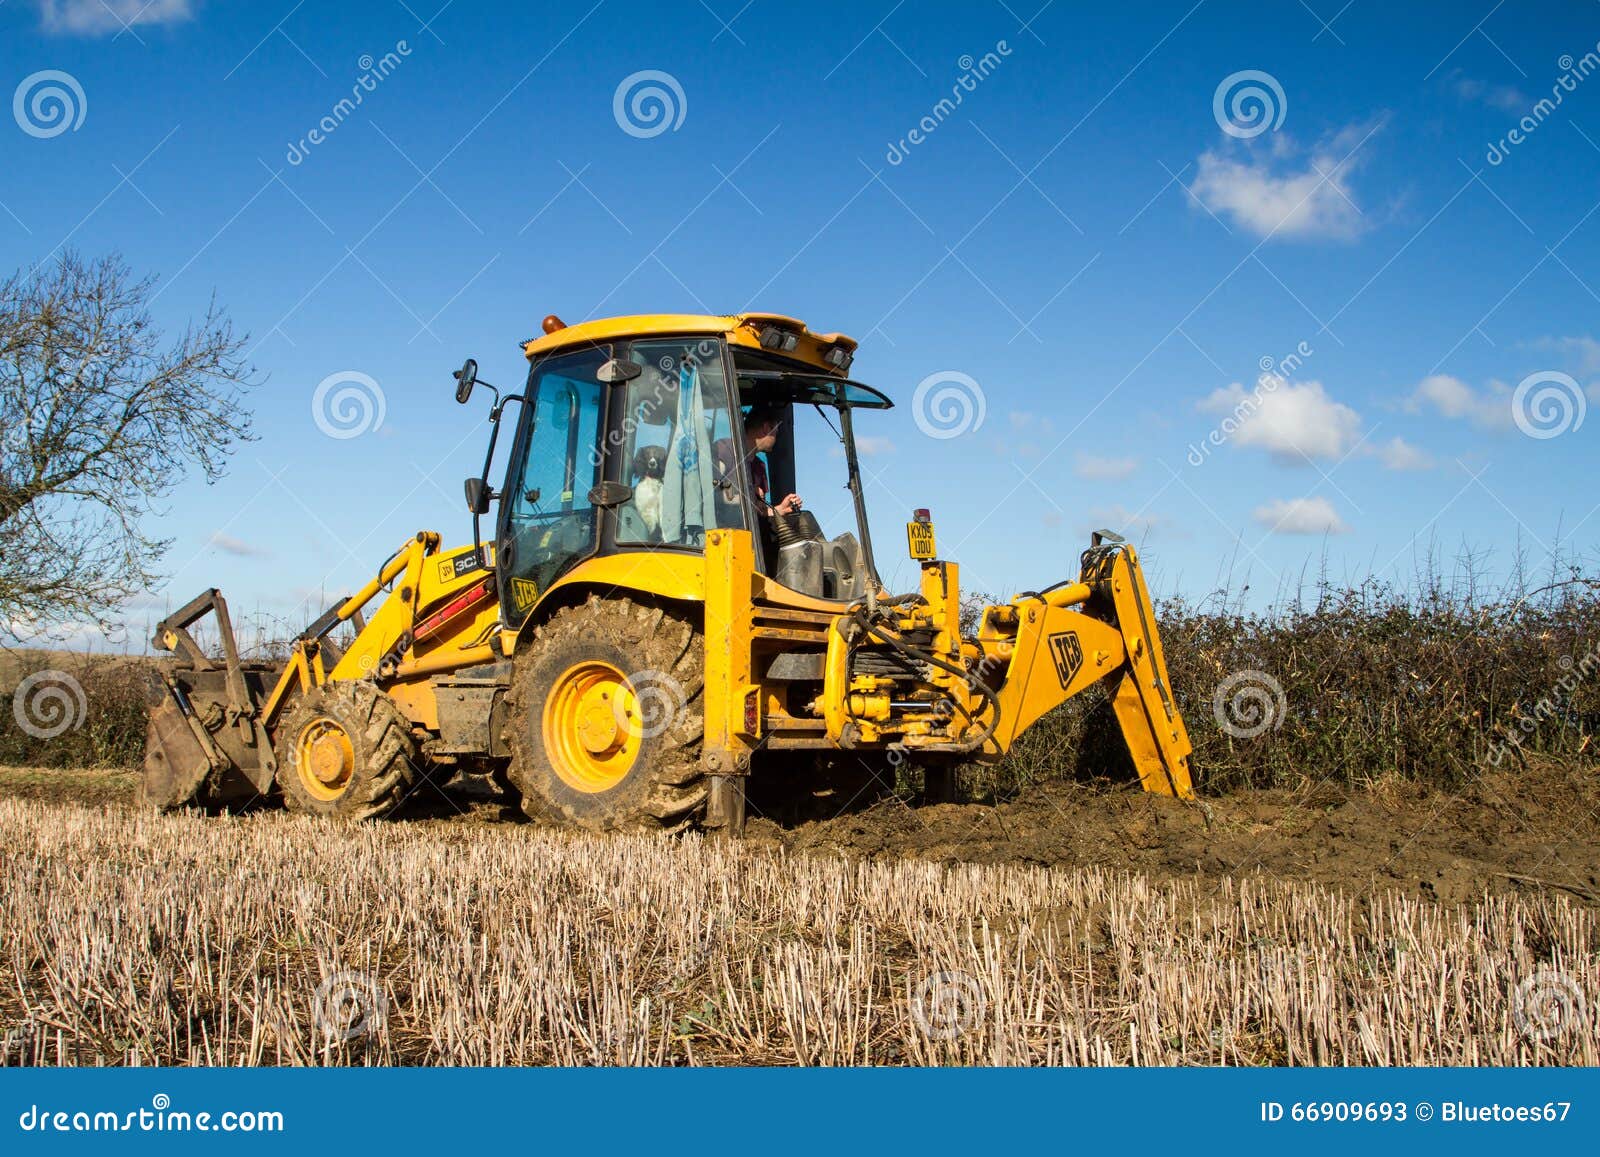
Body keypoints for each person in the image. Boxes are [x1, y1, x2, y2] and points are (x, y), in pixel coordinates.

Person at [715, 402, 803, 518]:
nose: (776, 439)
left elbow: (759, 510)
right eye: (775, 433)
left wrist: (781, 509)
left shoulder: (759, 466)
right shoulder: (723, 449)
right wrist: (751, 495)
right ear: (766, 428)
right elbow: (718, 495)